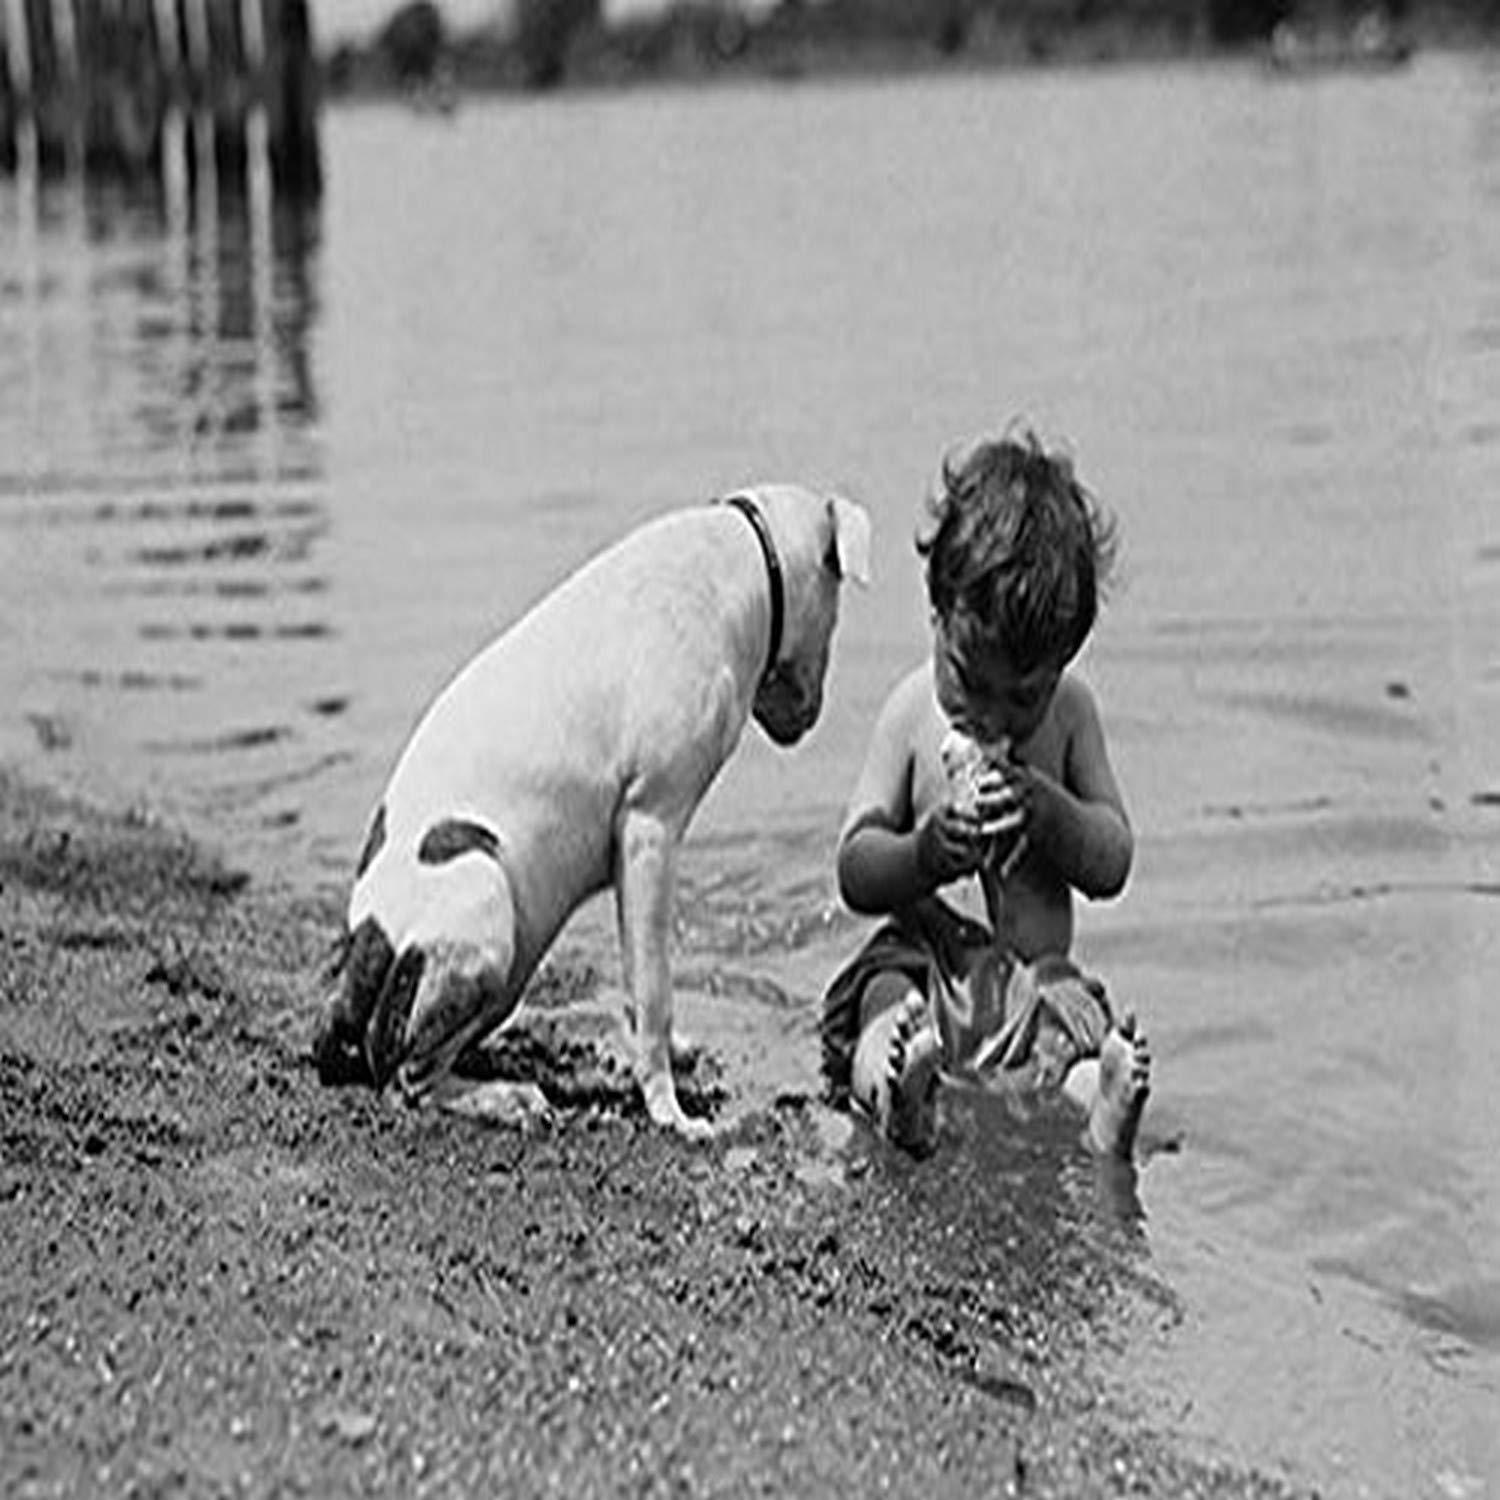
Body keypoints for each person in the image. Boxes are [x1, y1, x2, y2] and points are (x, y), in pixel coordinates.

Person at [821, 425, 1150, 1159]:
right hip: (926, 963)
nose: (992, 715)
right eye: (972, 682)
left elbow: (1112, 859)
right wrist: (925, 854)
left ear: (1065, 660)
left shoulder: (1070, 716)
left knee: (1069, 1037)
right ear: (936, 618)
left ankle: (1102, 1108)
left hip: (1032, 980)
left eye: (1022, 697)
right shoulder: (911, 712)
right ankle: (897, 1087)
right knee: (882, 1003)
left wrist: (1051, 813)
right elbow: (856, 867)